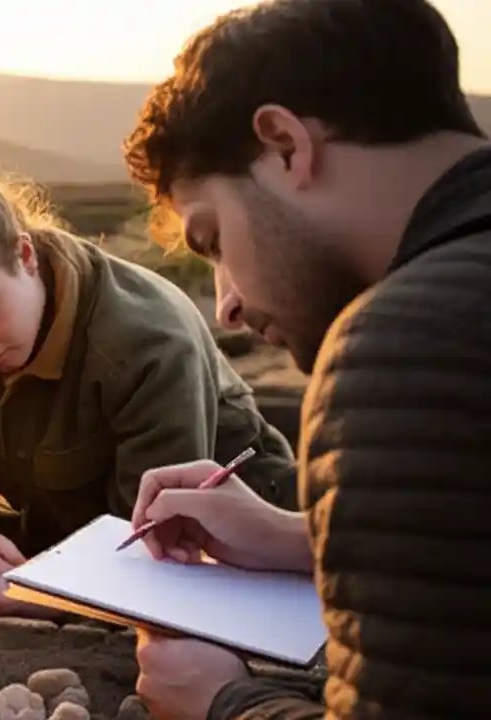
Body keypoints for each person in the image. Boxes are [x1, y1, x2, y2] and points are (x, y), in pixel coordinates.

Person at [119, 0, 491, 718]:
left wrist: (222, 701)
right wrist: (304, 539)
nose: (225, 304)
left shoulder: (409, 344)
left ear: (286, 146)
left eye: (213, 239)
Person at [0, 133, 298, 618]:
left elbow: (150, 548)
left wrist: (34, 594)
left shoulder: (147, 342)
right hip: (57, 543)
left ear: (25, 256)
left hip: (244, 564)